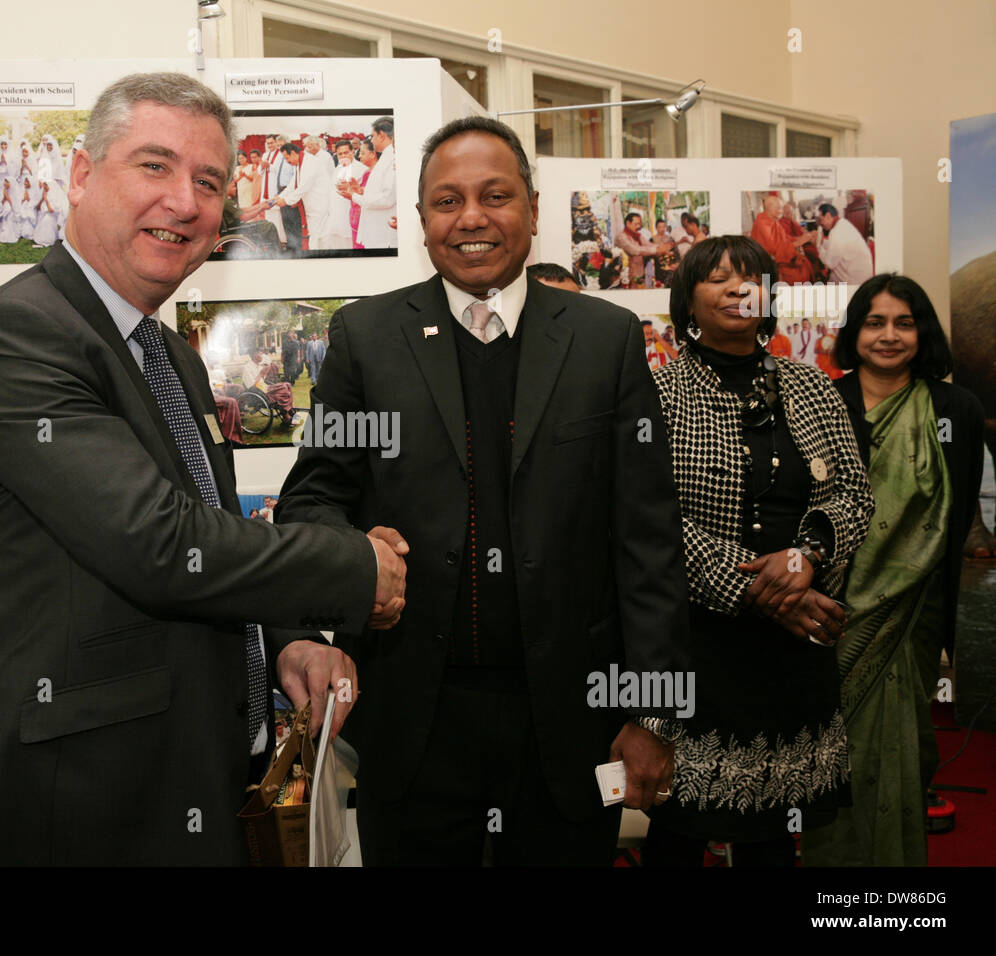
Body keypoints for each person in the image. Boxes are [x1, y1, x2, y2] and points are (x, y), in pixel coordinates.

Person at [0, 72, 405, 866]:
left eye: (210, 181)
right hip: (80, 807)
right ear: (82, 177)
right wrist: (357, 566)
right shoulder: (14, 335)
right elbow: (157, 543)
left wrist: (287, 639)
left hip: (189, 783)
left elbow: (207, 539)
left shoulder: (167, 355)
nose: (185, 202)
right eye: (154, 166)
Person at [276, 116, 691, 866]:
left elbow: (650, 542)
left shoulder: (605, 341)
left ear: (532, 207)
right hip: (413, 722)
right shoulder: (369, 341)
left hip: (572, 721)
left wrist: (657, 712)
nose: (471, 218)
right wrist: (352, 554)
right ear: (421, 221)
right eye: (447, 201)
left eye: (494, 196)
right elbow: (316, 500)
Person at [641, 235, 874, 867]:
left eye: (752, 278)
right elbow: (647, 519)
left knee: (775, 832)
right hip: (698, 641)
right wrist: (755, 591)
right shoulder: (657, 394)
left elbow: (855, 493)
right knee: (681, 824)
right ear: (688, 297)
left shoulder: (812, 387)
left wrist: (805, 557)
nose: (738, 290)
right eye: (718, 278)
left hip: (793, 644)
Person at [802, 275, 985, 866]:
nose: (888, 336)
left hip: (916, 613)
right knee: (836, 756)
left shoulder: (956, 408)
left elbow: (956, 519)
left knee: (912, 745)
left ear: (922, 331)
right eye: (874, 322)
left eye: (903, 322)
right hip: (830, 614)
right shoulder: (824, 403)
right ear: (854, 331)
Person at [348, 118, 397, 249]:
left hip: (383, 233)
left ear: (381, 136)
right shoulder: (386, 157)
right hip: (376, 229)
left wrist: (353, 196)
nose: (372, 140)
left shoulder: (392, 158)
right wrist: (361, 191)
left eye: (373, 136)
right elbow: (379, 190)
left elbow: (387, 199)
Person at [750, 193, 816, 285]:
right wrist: (800, 242)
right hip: (770, 264)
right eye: (778, 208)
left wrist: (801, 238)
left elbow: (785, 238)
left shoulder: (774, 220)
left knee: (805, 263)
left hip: (780, 258)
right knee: (801, 275)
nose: (781, 211)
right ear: (768, 207)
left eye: (781, 208)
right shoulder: (762, 223)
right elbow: (775, 249)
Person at [816, 202, 874, 285]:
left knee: (829, 277)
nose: (821, 223)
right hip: (862, 273)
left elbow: (829, 263)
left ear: (828, 216)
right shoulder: (842, 223)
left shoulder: (836, 232)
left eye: (821, 219)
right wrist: (822, 243)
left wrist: (818, 245)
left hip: (857, 281)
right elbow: (835, 247)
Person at [614, 212, 672, 289]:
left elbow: (649, 245)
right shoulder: (621, 237)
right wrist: (658, 249)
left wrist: (662, 247)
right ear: (628, 223)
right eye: (636, 224)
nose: (639, 226)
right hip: (626, 277)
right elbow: (635, 250)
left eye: (640, 224)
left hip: (639, 275)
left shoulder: (638, 235)